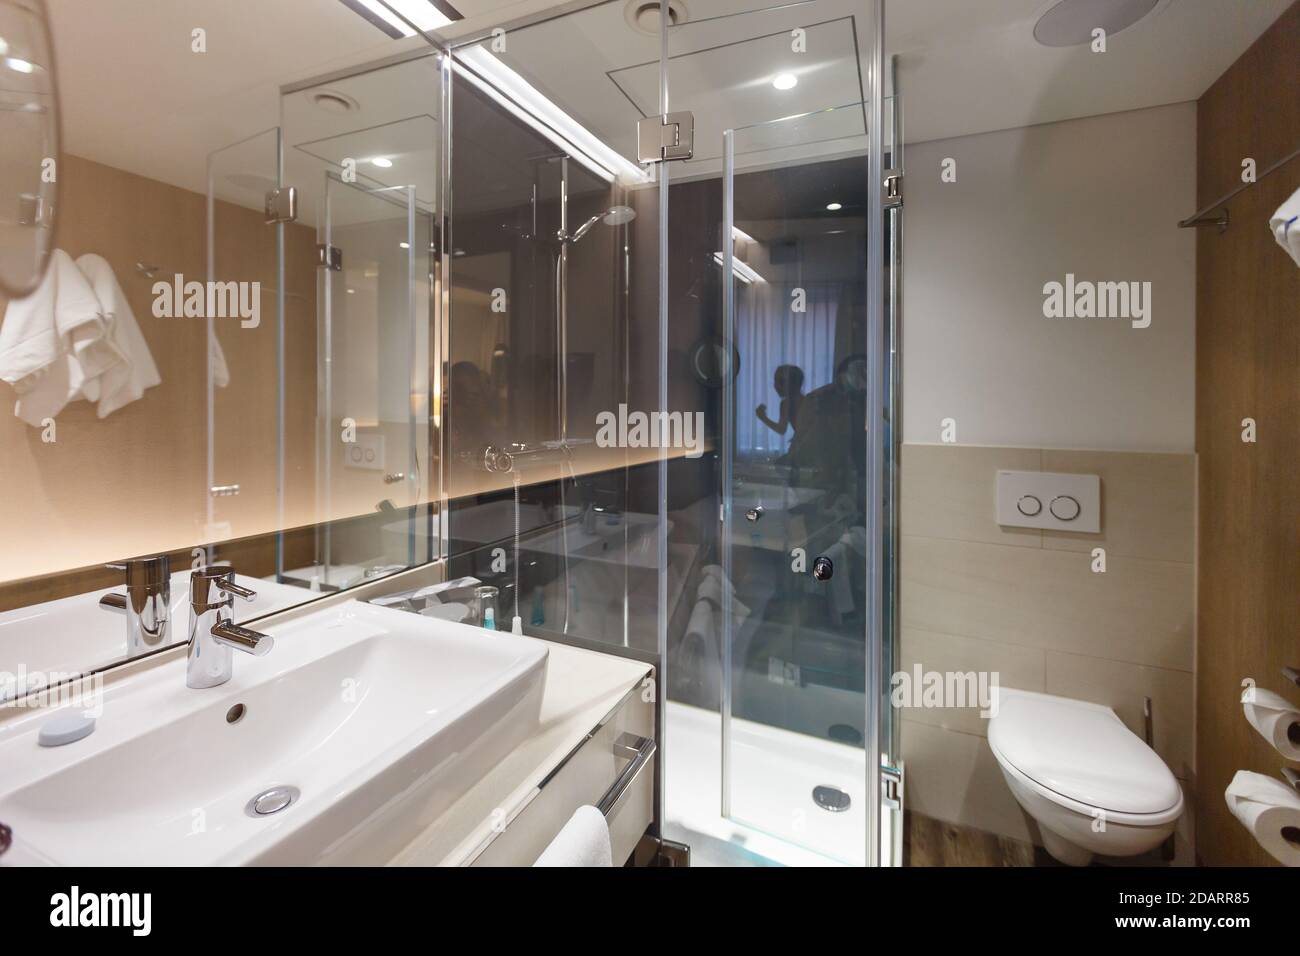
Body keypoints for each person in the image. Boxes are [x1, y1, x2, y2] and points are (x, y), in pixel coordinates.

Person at [755, 364, 804, 438]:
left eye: (778, 381)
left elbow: (781, 429)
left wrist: (762, 417)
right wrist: (763, 417)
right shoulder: (786, 403)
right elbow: (781, 429)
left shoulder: (787, 404)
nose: (775, 386)